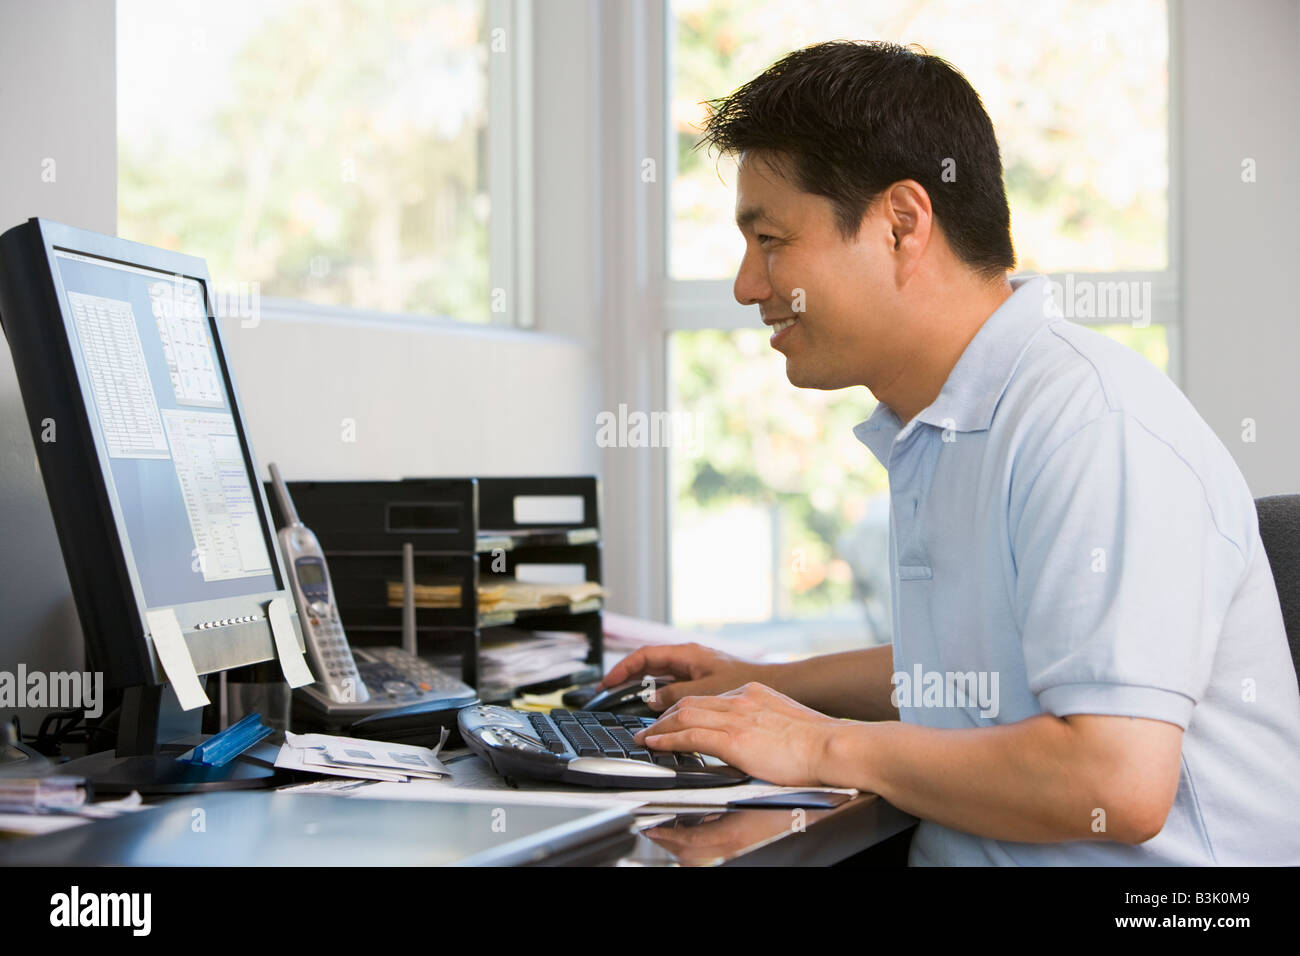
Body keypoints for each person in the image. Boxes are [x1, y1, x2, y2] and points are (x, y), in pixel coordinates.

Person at [603, 40, 1300, 865]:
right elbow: (972, 680)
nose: (747, 285)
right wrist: (764, 684)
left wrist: (820, 744)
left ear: (902, 224)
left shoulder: (1091, 428)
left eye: (771, 240)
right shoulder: (948, 421)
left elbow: (1115, 784)